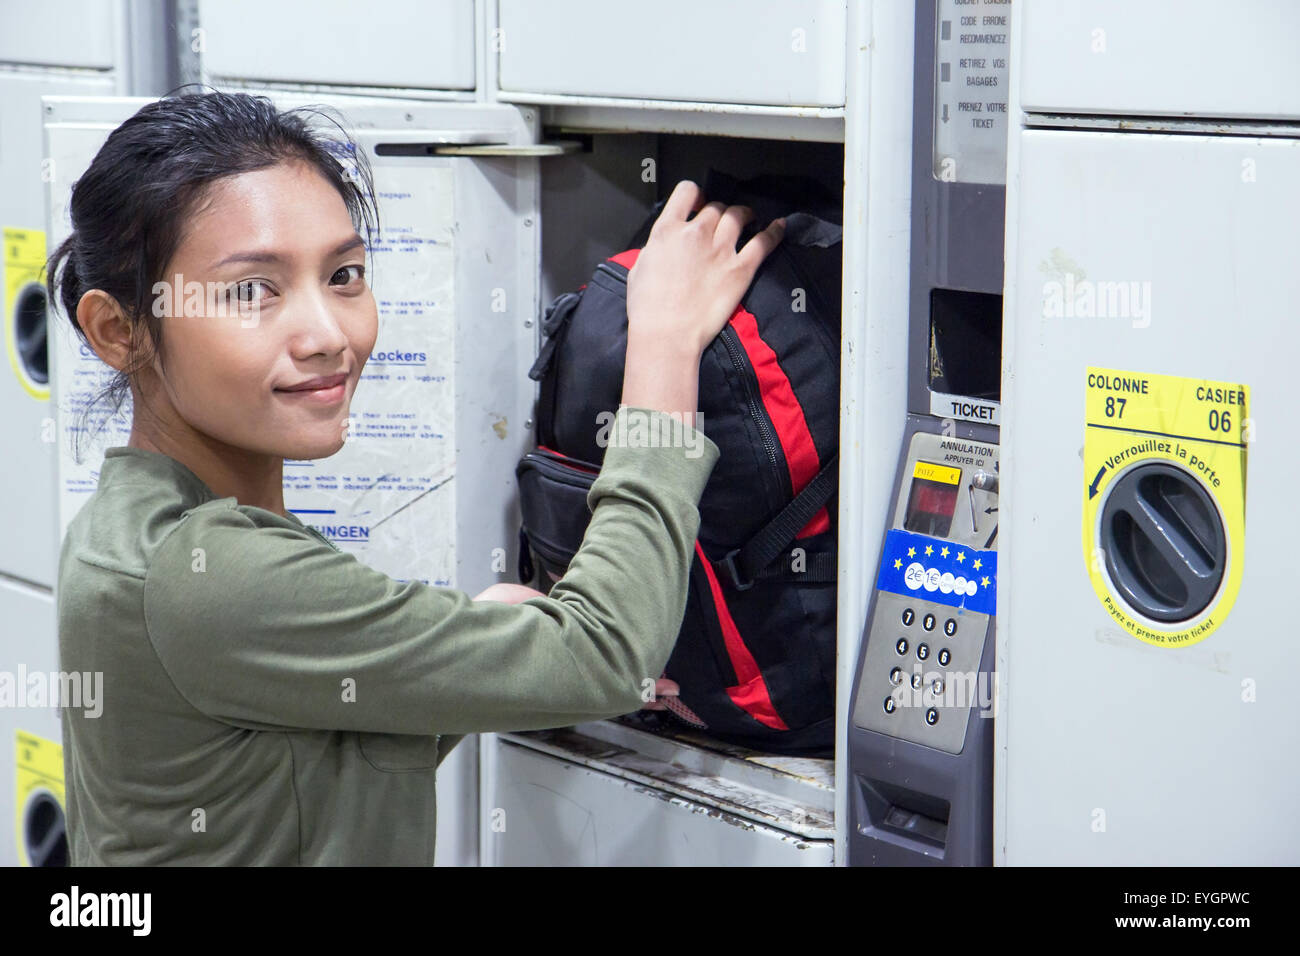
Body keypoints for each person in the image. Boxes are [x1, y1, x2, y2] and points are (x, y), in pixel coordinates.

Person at [49, 90, 786, 865]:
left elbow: (292, 773)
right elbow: (609, 655)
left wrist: (481, 643)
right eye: (251, 291)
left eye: (344, 274)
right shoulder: (207, 574)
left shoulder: (126, 528)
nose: (329, 335)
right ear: (119, 330)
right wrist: (664, 345)